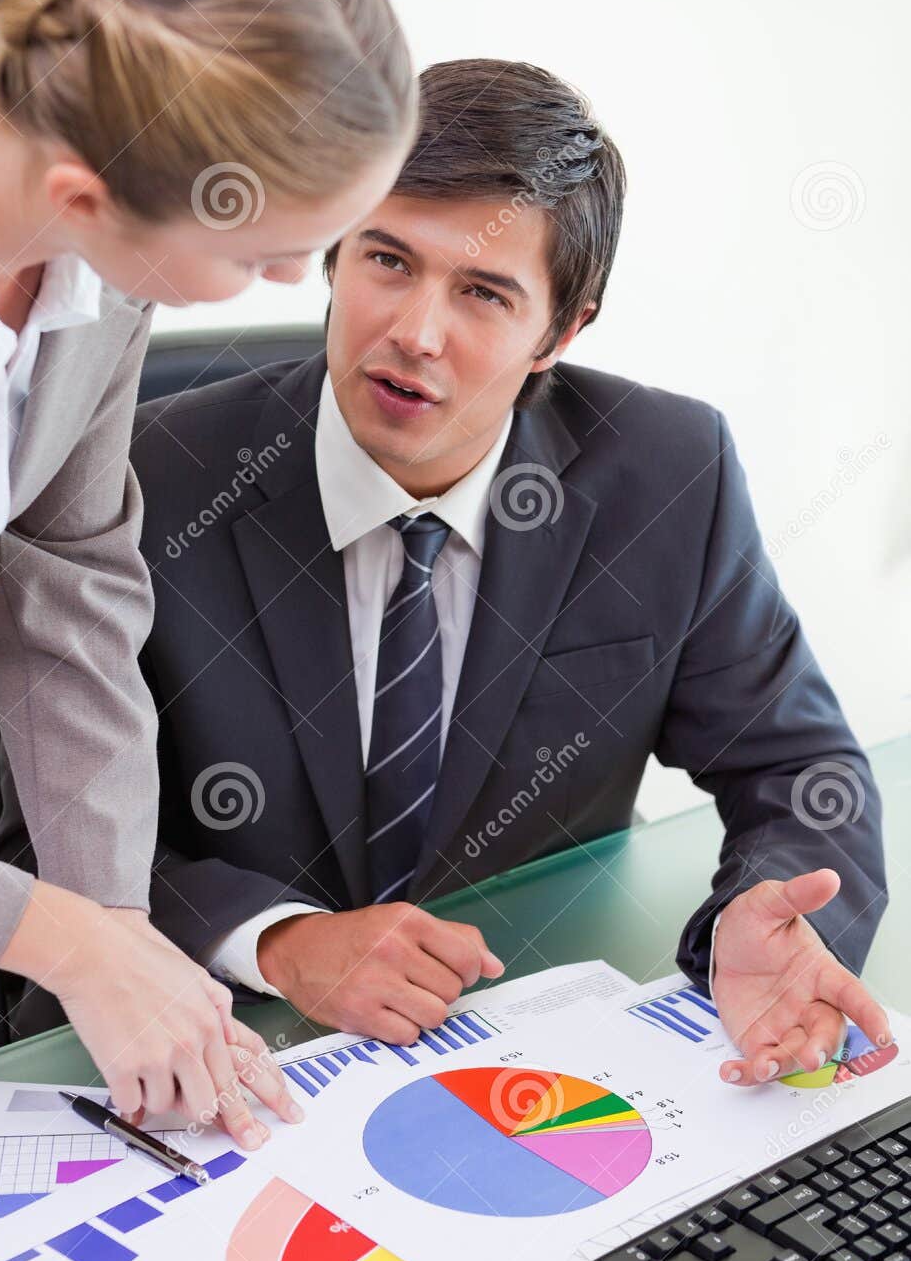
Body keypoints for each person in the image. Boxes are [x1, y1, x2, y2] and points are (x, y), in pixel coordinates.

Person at [82, 55, 890, 1089]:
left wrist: (755, 910)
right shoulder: (147, 478)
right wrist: (277, 942)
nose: (413, 332)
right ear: (334, 252)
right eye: (386, 260)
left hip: (522, 1048)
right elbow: (38, 840)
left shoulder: (664, 474)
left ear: (561, 329)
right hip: (224, 1054)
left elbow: (797, 767)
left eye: (481, 292)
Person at [0, 0, 416, 1144]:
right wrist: (59, 939)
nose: (296, 291)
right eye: (266, 255)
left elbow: (71, 572)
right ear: (82, 194)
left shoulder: (90, 193)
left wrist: (111, 926)